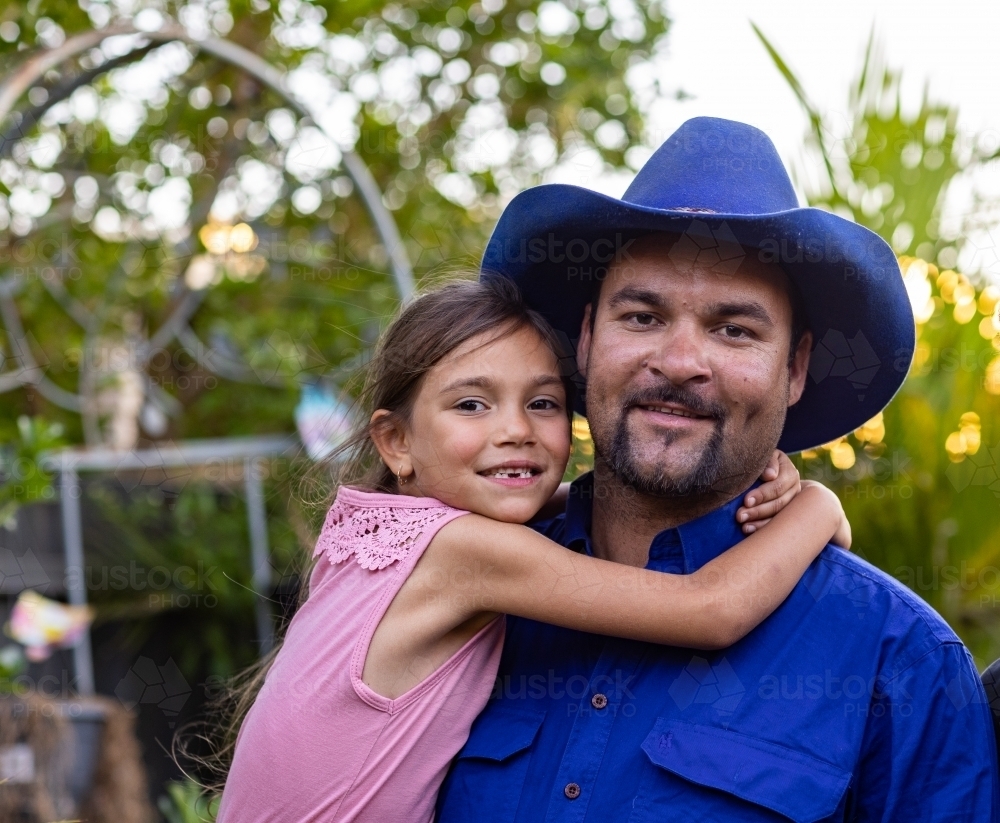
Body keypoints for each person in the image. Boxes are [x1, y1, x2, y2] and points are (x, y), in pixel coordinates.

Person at [435, 116, 999, 821]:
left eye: (734, 329)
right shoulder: (458, 600)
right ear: (585, 338)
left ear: (795, 368)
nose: (679, 362)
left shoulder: (904, 664)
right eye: (642, 317)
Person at [214, 276, 852, 823]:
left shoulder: (369, 526)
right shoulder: (465, 554)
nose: (516, 430)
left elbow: (559, 500)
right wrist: (815, 506)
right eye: (472, 404)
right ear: (396, 442)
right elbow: (709, 610)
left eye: (543, 403)